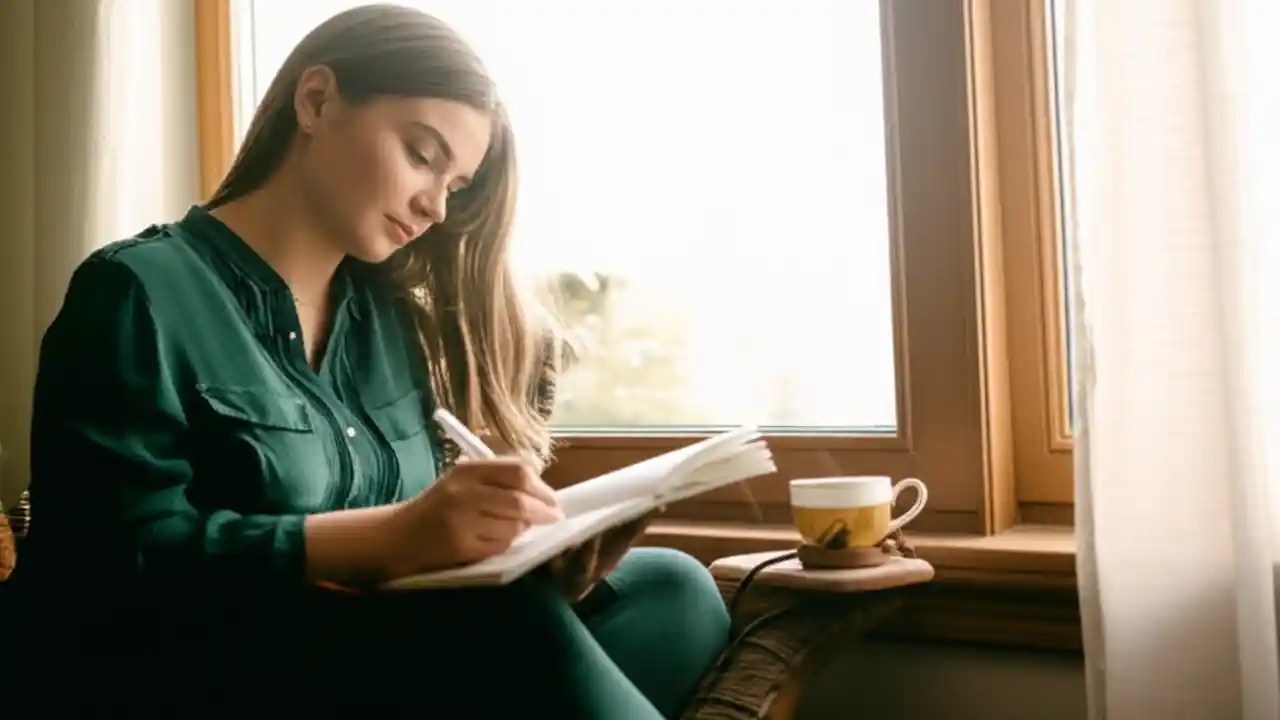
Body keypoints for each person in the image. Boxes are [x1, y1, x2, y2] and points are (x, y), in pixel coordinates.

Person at [9, 4, 730, 717]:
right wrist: (386, 539)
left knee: (675, 589)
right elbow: (116, 566)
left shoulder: (389, 326)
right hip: (202, 676)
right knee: (514, 629)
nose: (436, 209)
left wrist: (539, 565)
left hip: (385, 660)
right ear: (317, 100)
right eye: (422, 155)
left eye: (455, 186)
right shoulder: (137, 292)